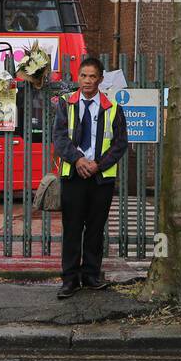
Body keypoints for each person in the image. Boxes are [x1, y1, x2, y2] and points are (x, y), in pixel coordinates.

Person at [50, 57, 128, 299]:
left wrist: (97, 165)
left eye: (92, 76)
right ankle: (70, 279)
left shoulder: (112, 108)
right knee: (72, 229)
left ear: (100, 80)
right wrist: (79, 160)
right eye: (83, 75)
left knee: (95, 229)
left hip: (100, 178)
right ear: (78, 77)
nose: (87, 81)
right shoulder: (66, 103)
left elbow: (120, 143)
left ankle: (91, 275)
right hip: (73, 175)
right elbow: (60, 137)